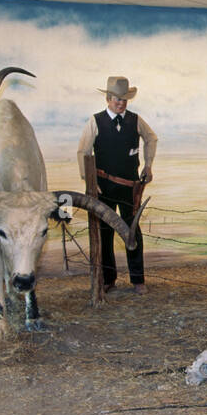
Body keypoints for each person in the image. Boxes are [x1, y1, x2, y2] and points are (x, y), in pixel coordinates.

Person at [77, 76, 158, 294]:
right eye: (116, 99)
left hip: (130, 187)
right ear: (108, 98)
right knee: (104, 233)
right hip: (103, 188)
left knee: (133, 232)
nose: (120, 103)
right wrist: (91, 183)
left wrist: (148, 166)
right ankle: (108, 279)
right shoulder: (95, 121)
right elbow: (83, 152)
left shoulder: (135, 120)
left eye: (124, 99)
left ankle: (138, 279)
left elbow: (151, 139)